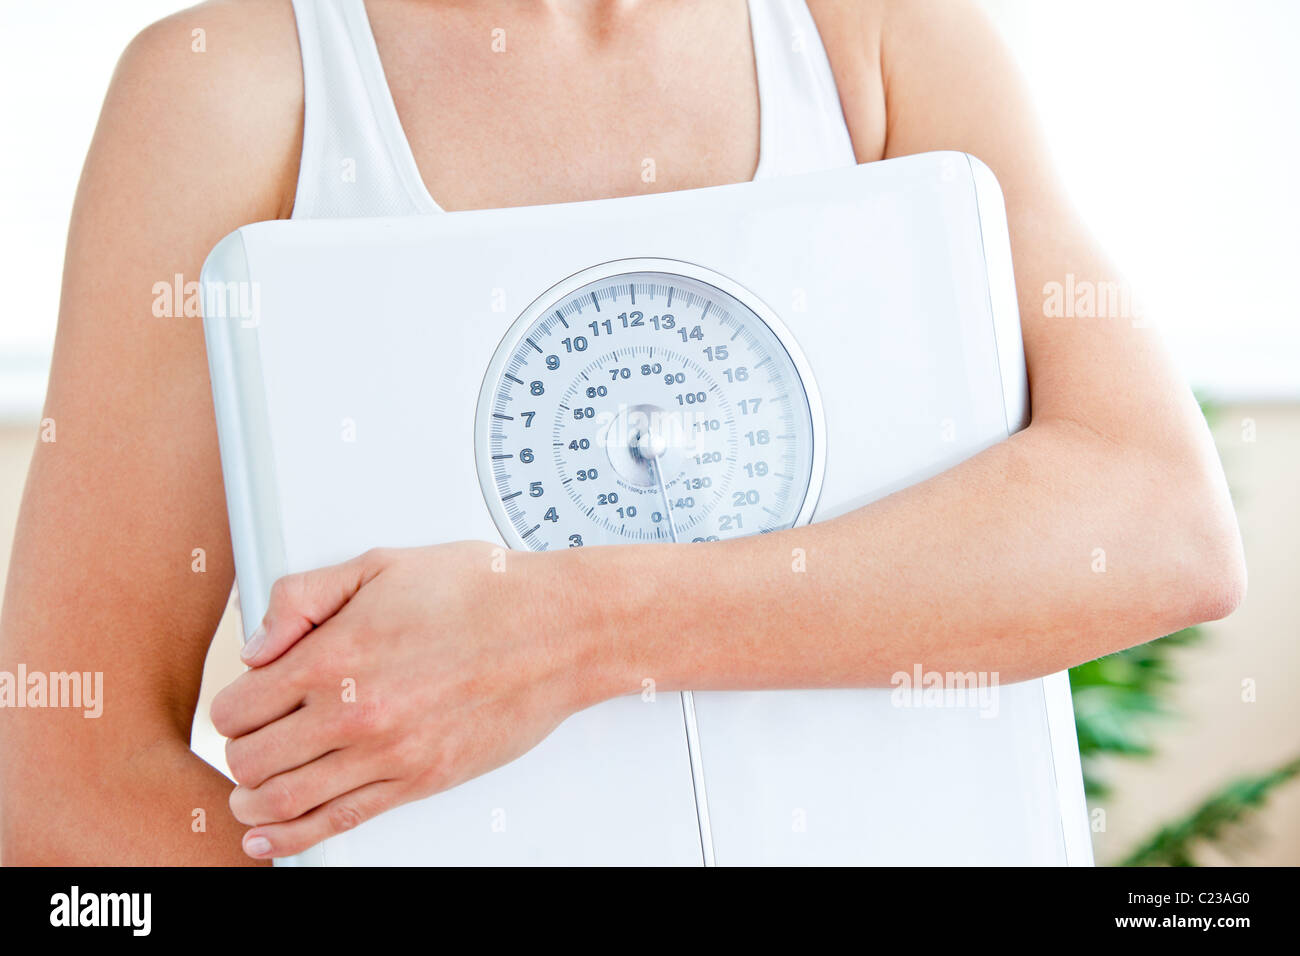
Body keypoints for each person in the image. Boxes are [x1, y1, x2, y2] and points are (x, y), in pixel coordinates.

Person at [0, 0, 1245, 864]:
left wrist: (565, 631)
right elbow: (59, 775)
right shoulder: (233, 84)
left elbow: (1159, 528)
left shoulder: (876, 41)